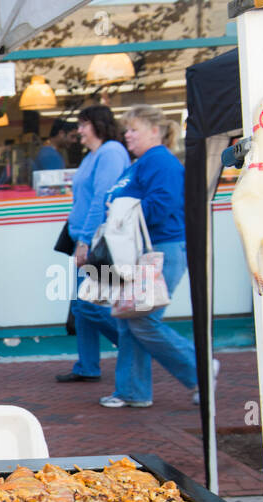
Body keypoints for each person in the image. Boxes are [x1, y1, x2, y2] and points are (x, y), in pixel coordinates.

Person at [97, 105, 200, 409]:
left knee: (141, 319)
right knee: (130, 320)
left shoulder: (159, 161)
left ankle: (200, 371)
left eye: (133, 129)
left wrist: (121, 216)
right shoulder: (144, 162)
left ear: (155, 130)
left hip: (159, 250)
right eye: (126, 129)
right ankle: (132, 391)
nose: (127, 135)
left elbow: (161, 205)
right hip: (147, 251)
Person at [55, 105, 131, 383]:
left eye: (84, 124)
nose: (79, 130)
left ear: (98, 125)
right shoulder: (93, 156)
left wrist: (85, 241)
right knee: (82, 306)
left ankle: (134, 346)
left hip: (98, 242)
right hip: (83, 238)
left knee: (89, 305)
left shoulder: (111, 152)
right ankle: (87, 366)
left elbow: (101, 199)